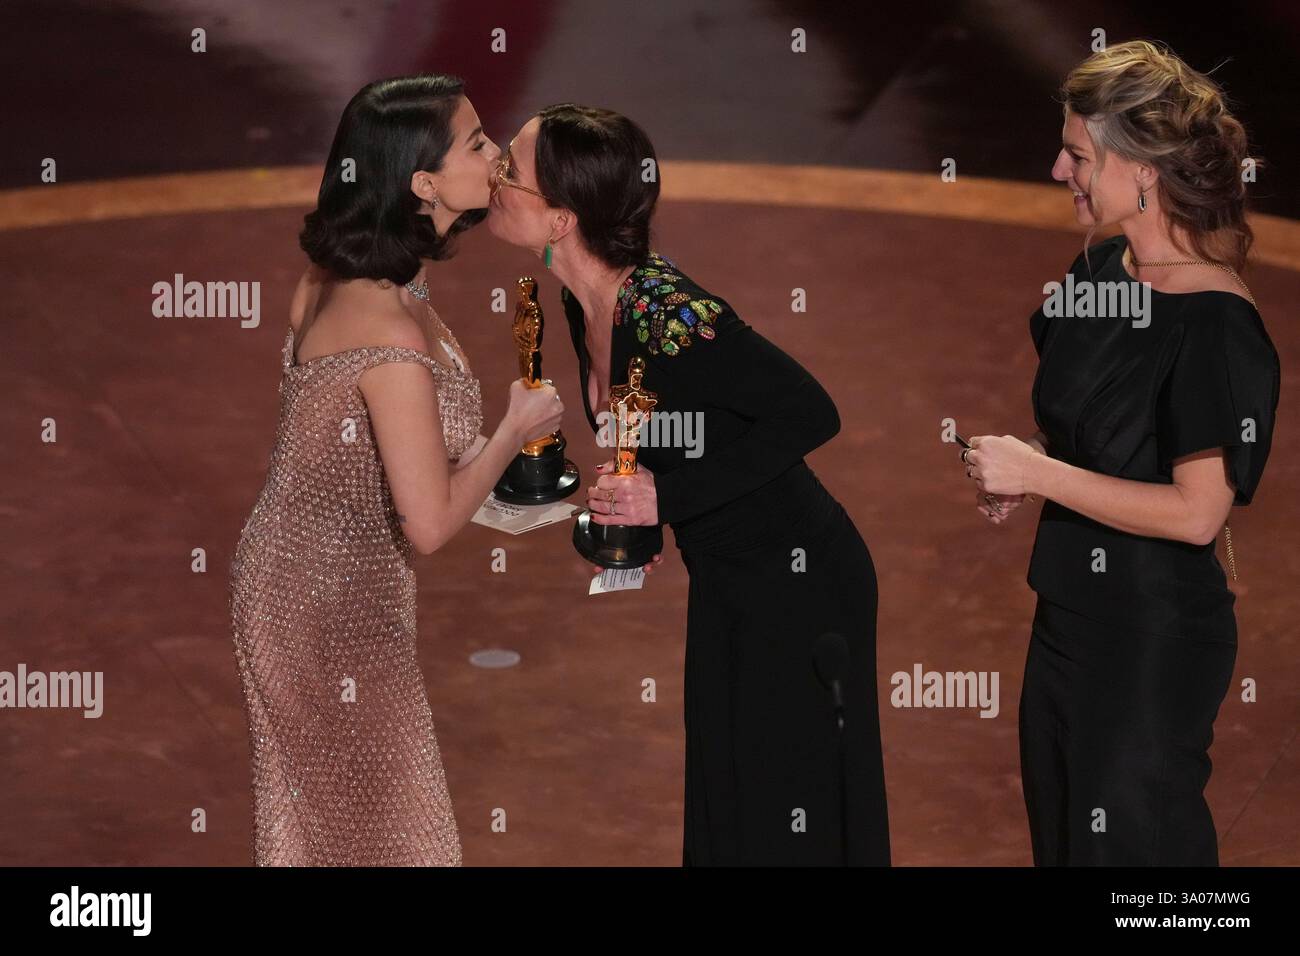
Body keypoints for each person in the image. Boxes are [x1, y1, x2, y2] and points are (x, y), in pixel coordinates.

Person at [486, 104, 891, 865]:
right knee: (728, 788)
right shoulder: (582, 303)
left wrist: (668, 501)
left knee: (785, 804)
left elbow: (809, 411)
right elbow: (679, 432)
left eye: (511, 172)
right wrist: (646, 510)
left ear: (563, 219)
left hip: (801, 585)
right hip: (729, 576)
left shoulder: (673, 315)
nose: (494, 181)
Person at [229, 74, 564, 865]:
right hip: (325, 612)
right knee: (399, 837)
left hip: (303, 582)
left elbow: (366, 470)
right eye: (478, 144)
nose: (495, 155)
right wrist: (515, 430)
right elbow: (431, 521)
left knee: (338, 835)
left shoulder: (348, 279)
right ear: (423, 184)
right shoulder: (389, 331)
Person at [963, 40, 1280, 865]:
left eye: (1076, 154)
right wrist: (1034, 464)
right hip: (1067, 618)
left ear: (1141, 170)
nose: (1057, 168)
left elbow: (1197, 512)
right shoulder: (1105, 265)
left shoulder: (1214, 326)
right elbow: (1097, 432)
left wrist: (1040, 474)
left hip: (1151, 644)